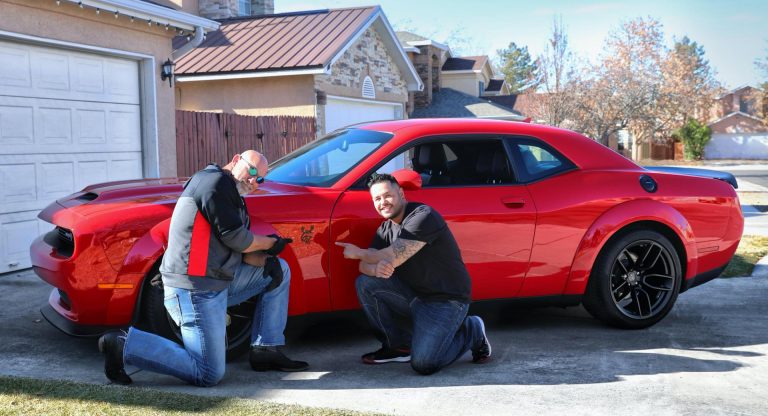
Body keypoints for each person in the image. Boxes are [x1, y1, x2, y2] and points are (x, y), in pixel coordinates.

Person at [98, 150, 308, 387]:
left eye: (259, 179)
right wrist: (270, 243)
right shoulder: (214, 182)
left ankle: (265, 350)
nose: (253, 181)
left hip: (215, 282)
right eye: (251, 172)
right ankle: (124, 344)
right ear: (236, 159)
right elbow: (237, 239)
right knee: (208, 372)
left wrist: (266, 257)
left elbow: (238, 251)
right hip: (193, 290)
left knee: (277, 270)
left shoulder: (231, 193)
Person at [335, 173, 491, 375]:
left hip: (445, 301)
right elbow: (364, 267)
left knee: (424, 364)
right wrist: (375, 268)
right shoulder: (385, 229)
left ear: (401, 193)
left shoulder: (423, 216)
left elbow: (394, 255)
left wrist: (359, 253)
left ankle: (472, 330)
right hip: (414, 296)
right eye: (377, 199)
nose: (383, 203)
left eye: (387, 196)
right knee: (365, 283)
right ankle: (397, 346)